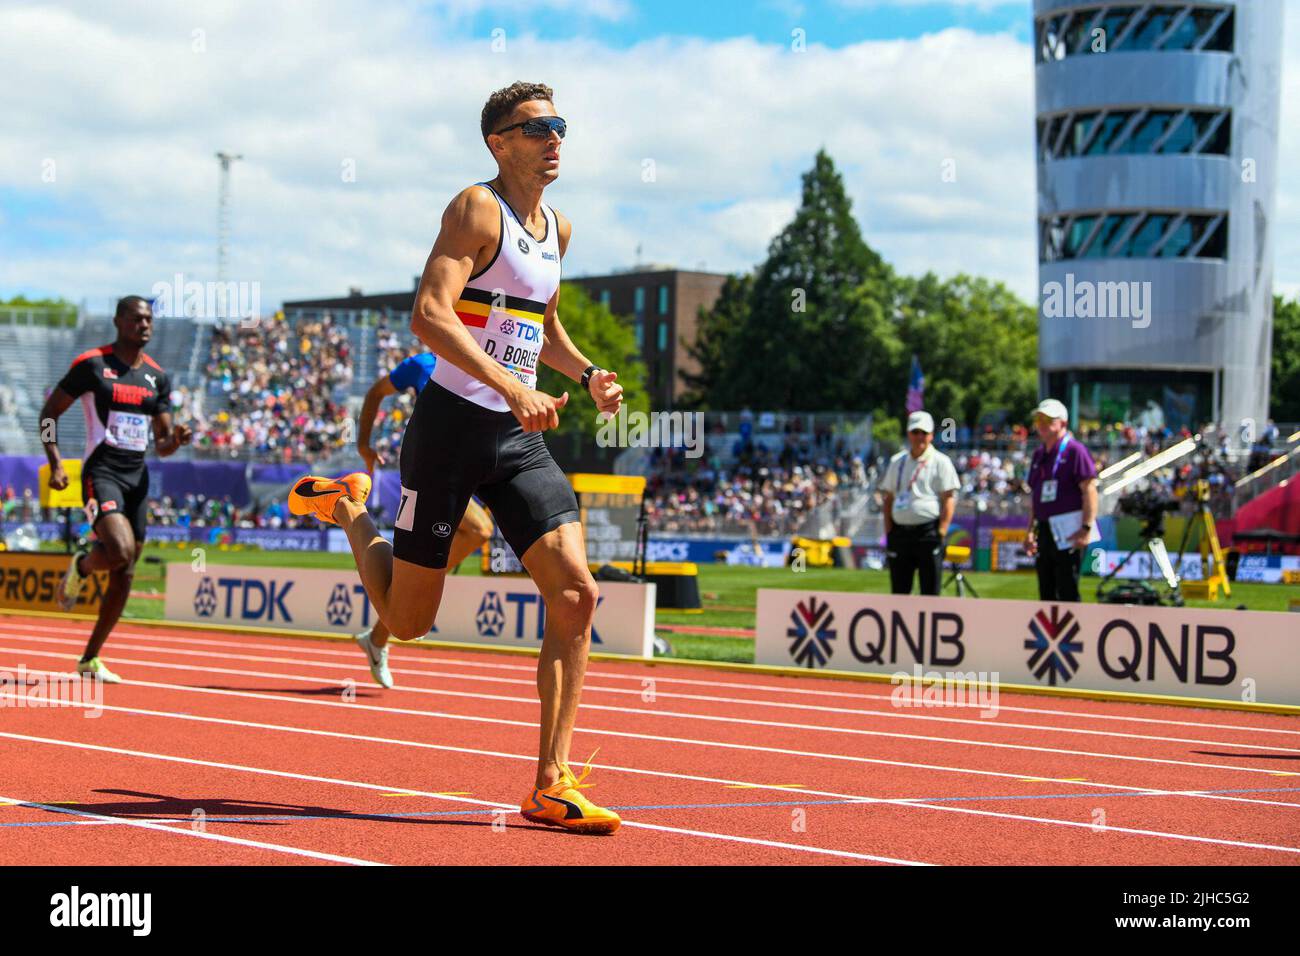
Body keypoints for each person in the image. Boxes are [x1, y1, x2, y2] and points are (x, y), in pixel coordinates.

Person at [288, 81, 625, 835]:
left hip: (516, 436)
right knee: (407, 623)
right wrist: (511, 385)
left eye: (561, 126)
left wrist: (584, 373)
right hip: (447, 429)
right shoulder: (475, 209)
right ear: (498, 143)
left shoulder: (558, 229)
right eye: (538, 128)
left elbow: (544, 322)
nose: (555, 138)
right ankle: (347, 510)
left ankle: (551, 783)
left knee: (576, 594)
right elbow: (429, 314)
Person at [40, 295, 192, 682]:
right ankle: (83, 565)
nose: (145, 325)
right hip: (101, 472)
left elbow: (162, 444)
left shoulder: (157, 377)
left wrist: (176, 438)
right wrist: (56, 461)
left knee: (125, 571)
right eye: (137, 319)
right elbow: (49, 414)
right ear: (118, 321)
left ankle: (89, 658)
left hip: (137, 479)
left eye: (149, 320)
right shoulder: (93, 365)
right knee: (120, 550)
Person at [352, 351, 494, 687]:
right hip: (427, 468)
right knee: (480, 529)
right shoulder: (422, 364)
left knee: (459, 545)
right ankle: (348, 509)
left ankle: (376, 638)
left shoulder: (487, 358)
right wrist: (364, 445)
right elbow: (375, 392)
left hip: (467, 469)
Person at [1024, 398, 1098, 601]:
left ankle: (1072, 632)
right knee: (1046, 590)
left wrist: (1086, 528)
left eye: (1048, 419)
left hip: (1069, 529)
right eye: (1039, 419)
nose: (1041, 424)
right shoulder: (1039, 454)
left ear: (1062, 423)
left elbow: (1089, 490)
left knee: (1067, 589)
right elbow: (1035, 496)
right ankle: (1048, 632)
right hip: (1045, 529)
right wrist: (1030, 531)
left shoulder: (1076, 451)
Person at [880, 411, 959, 595]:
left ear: (931, 435)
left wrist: (941, 531)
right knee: (899, 592)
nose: (919, 437)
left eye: (924, 432)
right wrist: (889, 531)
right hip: (900, 533)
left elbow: (948, 498)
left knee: (930, 592)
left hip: (928, 532)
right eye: (915, 432)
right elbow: (888, 498)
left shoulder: (941, 462)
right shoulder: (896, 461)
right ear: (909, 434)